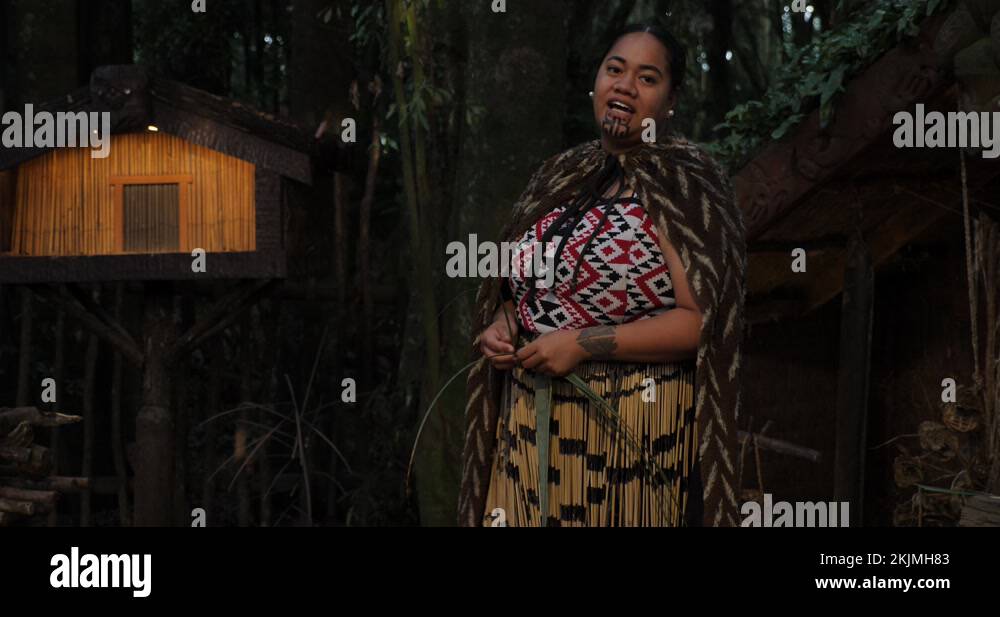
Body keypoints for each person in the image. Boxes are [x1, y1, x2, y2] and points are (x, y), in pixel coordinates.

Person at [458, 23, 747, 527]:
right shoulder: (561, 176)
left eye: (647, 78)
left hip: (628, 440)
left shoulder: (686, 185)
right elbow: (520, 288)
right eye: (615, 69)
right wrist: (504, 324)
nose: (625, 86)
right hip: (526, 435)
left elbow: (702, 322)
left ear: (671, 100)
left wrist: (583, 343)